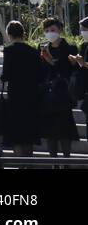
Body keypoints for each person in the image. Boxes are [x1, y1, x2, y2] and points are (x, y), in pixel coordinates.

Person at [0, 20, 44, 161]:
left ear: (9, 34)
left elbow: (6, 75)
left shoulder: (9, 50)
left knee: (16, 133)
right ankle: (28, 162)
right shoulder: (33, 51)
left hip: (15, 96)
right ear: (23, 33)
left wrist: (1, 77)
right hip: (31, 95)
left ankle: (19, 162)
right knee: (29, 133)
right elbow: (40, 74)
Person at [37, 17, 78, 161]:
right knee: (50, 133)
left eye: (52, 30)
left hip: (63, 94)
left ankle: (66, 161)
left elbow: (69, 70)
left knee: (65, 131)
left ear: (59, 30)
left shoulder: (70, 48)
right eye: (47, 31)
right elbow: (41, 72)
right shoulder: (43, 48)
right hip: (48, 95)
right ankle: (53, 162)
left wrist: (51, 61)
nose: (50, 33)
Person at [70, 17, 88, 142]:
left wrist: (84, 63)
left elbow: (85, 64)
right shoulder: (84, 45)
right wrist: (75, 61)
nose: (82, 32)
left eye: (84, 29)